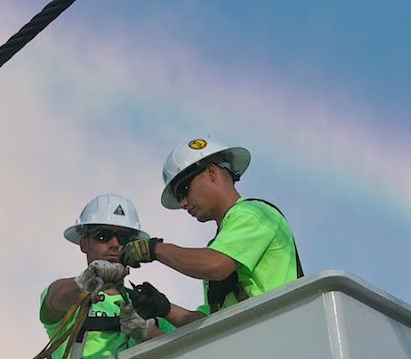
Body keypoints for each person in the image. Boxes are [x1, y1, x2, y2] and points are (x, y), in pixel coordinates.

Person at [118, 138, 301, 324]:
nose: (182, 203)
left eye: (183, 190)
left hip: (278, 337)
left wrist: (155, 249)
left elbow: (215, 265)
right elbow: (209, 321)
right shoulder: (218, 246)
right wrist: (163, 307)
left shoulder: (254, 214)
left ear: (212, 172)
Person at [39, 194, 175, 359]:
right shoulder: (71, 295)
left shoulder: (147, 304)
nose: (114, 245)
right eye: (103, 236)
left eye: (123, 238)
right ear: (84, 244)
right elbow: (54, 299)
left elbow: (179, 355)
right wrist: (84, 282)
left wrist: (147, 331)